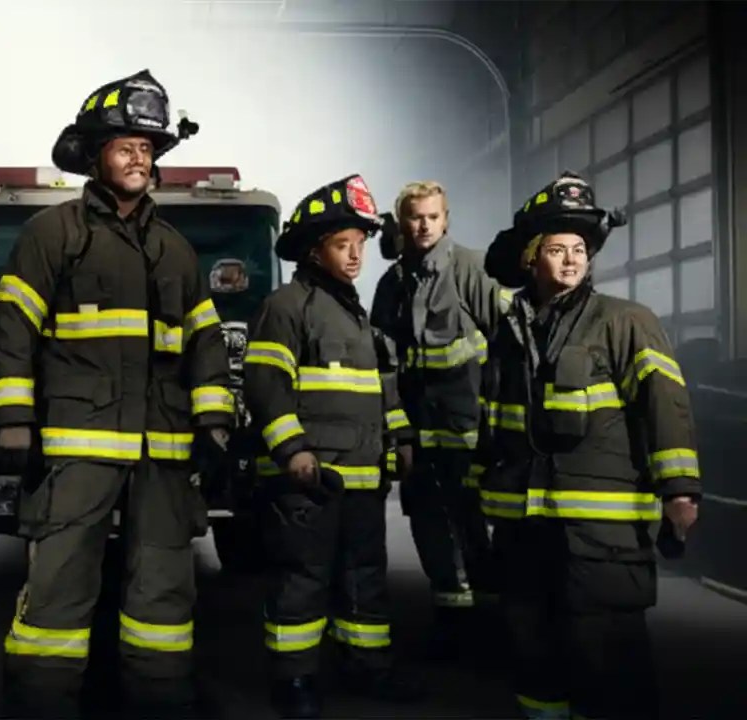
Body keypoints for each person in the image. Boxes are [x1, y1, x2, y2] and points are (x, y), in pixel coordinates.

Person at [0, 68, 233, 717]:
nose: (139, 159)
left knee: (163, 591)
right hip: (78, 447)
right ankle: (42, 705)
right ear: (96, 154)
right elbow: (12, 325)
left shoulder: (175, 250)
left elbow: (205, 341)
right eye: (125, 146)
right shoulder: (54, 233)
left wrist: (213, 423)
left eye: (148, 149)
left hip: (161, 448)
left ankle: (160, 702)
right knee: (58, 592)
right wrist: (13, 418)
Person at [477, 172, 701, 720]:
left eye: (580, 249)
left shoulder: (626, 322)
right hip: (526, 530)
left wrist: (679, 490)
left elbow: (663, 405)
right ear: (532, 259)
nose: (572, 260)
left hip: (601, 536)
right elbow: (493, 424)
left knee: (610, 662)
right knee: (535, 658)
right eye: (557, 249)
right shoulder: (510, 333)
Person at [246, 175, 421, 717]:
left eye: (360, 245)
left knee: (364, 578)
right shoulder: (286, 306)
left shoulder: (357, 315)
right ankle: (293, 679)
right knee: (303, 578)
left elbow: (381, 390)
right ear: (313, 249)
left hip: (364, 478)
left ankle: (367, 667)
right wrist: (292, 450)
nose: (355, 256)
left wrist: (403, 439)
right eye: (342, 245)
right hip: (309, 477)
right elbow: (265, 386)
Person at [370, 180, 510, 654]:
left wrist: (501, 425)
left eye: (433, 216)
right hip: (420, 438)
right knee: (429, 525)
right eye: (415, 217)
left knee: (478, 527)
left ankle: (495, 628)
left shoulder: (471, 269)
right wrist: (397, 434)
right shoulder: (391, 285)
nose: (425, 225)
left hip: (472, 435)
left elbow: (511, 345)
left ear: (446, 218)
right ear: (402, 222)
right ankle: (452, 624)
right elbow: (383, 367)